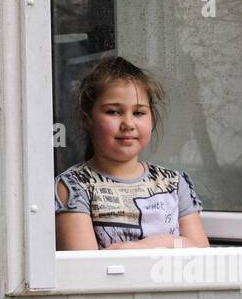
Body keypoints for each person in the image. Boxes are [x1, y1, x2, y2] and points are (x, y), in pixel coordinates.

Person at [55, 56, 210, 251]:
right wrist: (175, 246)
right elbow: (86, 272)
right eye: (113, 112)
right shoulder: (74, 187)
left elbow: (200, 254)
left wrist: (157, 243)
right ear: (87, 118)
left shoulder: (173, 184)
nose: (128, 124)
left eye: (138, 113)